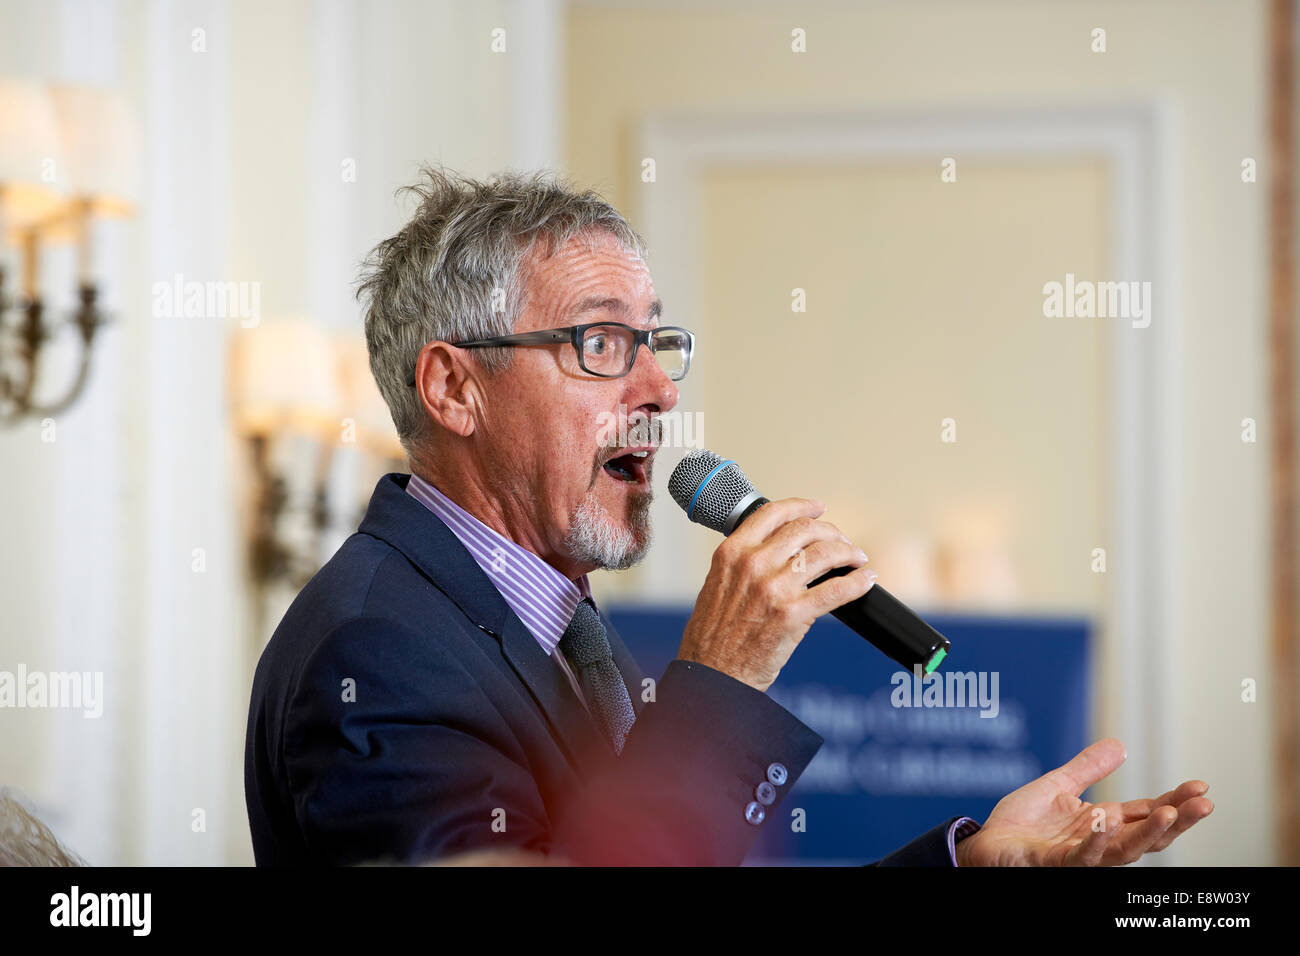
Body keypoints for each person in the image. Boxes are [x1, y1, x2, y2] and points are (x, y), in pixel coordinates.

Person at [243, 167, 1212, 866]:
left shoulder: (565, 633)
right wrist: (719, 681)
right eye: (600, 340)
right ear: (455, 387)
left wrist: (970, 867)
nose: (661, 387)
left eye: (657, 339)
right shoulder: (375, 650)